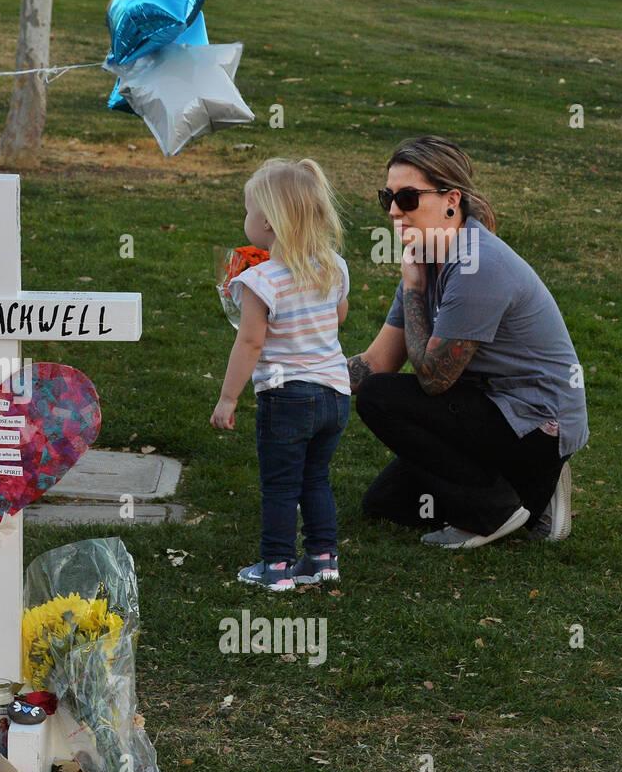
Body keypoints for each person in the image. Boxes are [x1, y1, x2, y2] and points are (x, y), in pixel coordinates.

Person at [347, 136, 587, 547]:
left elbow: (433, 380)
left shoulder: (477, 265)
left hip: (535, 423)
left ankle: (496, 509)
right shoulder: (428, 255)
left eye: (407, 197)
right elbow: (378, 360)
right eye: (387, 196)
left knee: (378, 397)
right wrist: (301, 371)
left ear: (450, 200)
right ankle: (528, 493)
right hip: (488, 407)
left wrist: (413, 289)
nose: (392, 210)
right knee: (385, 504)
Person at [211, 159, 350, 590]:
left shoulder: (261, 280)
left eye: (248, 210)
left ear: (267, 221)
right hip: (336, 395)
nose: (245, 218)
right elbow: (338, 318)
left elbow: (250, 343)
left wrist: (229, 398)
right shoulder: (334, 266)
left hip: (286, 395)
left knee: (279, 485)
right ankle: (323, 558)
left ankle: (275, 567)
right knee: (316, 477)